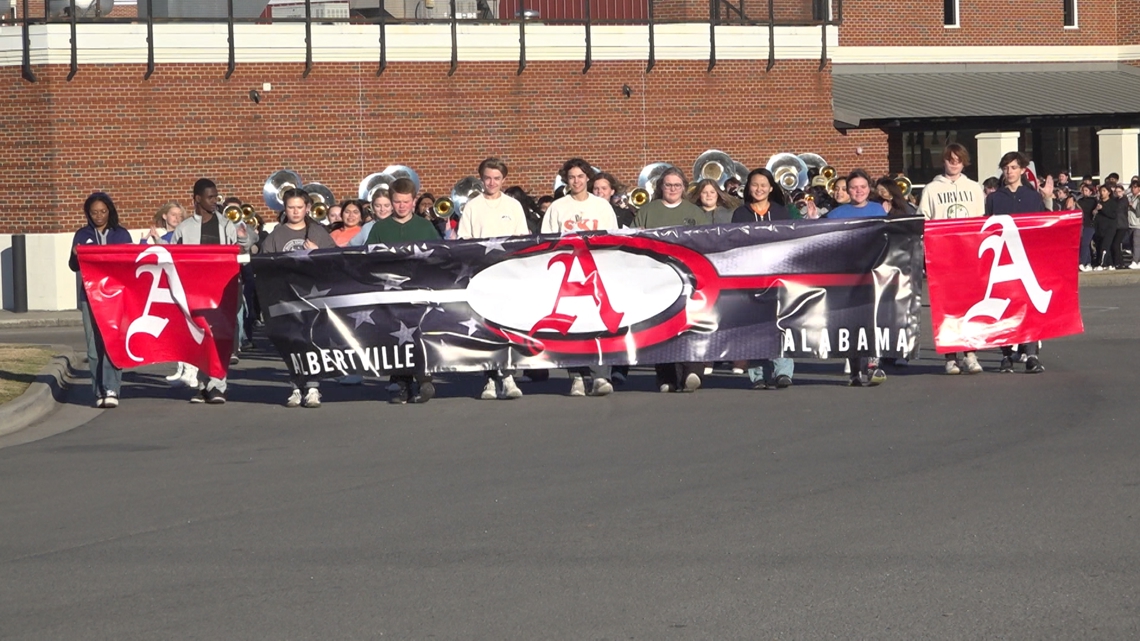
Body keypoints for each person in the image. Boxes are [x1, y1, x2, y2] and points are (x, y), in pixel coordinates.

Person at [541, 158, 620, 397]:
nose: (576, 181)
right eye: (572, 177)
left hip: (596, 272)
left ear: (588, 178)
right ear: (567, 180)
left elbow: (613, 237)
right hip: (568, 275)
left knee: (598, 323)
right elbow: (547, 240)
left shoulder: (602, 207)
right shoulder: (558, 207)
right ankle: (576, 376)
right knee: (572, 324)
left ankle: (600, 376)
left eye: (580, 176)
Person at [171, 178, 254, 403]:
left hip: (223, 288)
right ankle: (201, 385)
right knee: (199, 337)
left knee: (220, 337)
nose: (215, 201)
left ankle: (218, 384)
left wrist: (245, 238)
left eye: (216, 196)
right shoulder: (184, 228)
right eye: (210, 197)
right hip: (195, 290)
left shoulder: (227, 224)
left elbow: (245, 247)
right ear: (197, 199)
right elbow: (173, 256)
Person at [457, 157, 530, 400]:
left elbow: (522, 240)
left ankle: (508, 376)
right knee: (485, 327)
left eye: (497, 178)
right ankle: (489, 379)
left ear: (503, 180)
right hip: (481, 277)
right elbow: (464, 241)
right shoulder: (472, 207)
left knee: (508, 326)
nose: (492, 182)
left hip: (508, 276)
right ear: (481, 179)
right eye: (488, 178)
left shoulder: (512, 206)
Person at [363, 178, 441, 404]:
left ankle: (424, 378)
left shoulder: (425, 227)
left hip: (418, 290)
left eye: (406, 202)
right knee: (395, 336)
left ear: (414, 201)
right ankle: (401, 384)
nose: (401, 206)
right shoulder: (380, 228)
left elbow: (439, 255)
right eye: (397, 201)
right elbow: (368, 258)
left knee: (419, 334)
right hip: (391, 293)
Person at [259, 188, 337, 406]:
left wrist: (317, 252)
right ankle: (295, 386)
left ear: (307, 208)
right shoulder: (276, 235)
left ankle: (313, 387)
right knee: (292, 343)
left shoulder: (318, 232)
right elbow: (265, 266)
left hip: (313, 297)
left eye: (299, 207)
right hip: (286, 297)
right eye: (291, 207)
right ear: (285, 208)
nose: (295, 211)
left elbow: (335, 261)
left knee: (311, 342)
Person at [632, 167, 707, 393]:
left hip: (689, 277)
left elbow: (707, 241)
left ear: (683, 187)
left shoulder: (695, 213)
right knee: (661, 327)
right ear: (660, 187)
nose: (672, 189)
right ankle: (666, 377)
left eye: (677, 185)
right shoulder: (648, 211)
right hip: (657, 278)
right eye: (668, 185)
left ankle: (692, 371)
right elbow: (634, 239)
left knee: (689, 325)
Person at [918, 142, 986, 374]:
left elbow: (981, 222)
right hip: (943, 258)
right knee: (947, 309)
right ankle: (950, 357)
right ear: (944, 161)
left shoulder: (975, 188)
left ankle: (970, 353)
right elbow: (923, 222)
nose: (954, 163)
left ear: (964, 162)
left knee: (970, 306)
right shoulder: (931, 189)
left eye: (958, 159)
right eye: (950, 159)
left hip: (968, 255)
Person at [984, 151, 1052, 374]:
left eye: (1013, 167)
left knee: (1028, 306)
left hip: (1027, 259)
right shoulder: (994, 198)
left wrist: (1049, 200)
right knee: (1003, 307)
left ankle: (1031, 353)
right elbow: (987, 229)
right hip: (1002, 259)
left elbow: (1045, 227)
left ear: (1023, 170)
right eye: (1006, 168)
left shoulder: (1033, 197)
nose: (1009, 172)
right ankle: (1006, 355)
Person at [822, 170, 888, 386]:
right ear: (847, 190)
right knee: (851, 322)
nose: (858, 191)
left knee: (873, 319)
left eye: (862, 187)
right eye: (853, 187)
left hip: (873, 272)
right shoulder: (837, 214)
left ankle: (873, 365)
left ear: (869, 188)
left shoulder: (878, 209)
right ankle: (855, 371)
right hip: (847, 275)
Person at [69, 193, 133, 408]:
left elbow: (130, 264)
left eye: (103, 211)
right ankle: (99, 391)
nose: (98, 216)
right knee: (93, 347)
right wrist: (75, 254)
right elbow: (74, 266)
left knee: (112, 342)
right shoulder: (82, 234)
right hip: (90, 296)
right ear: (88, 213)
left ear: (110, 211)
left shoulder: (121, 234)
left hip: (116, 296)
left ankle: (112, 387)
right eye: (94, 212)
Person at [1092, 185, 1119, 270]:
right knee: (1099, 245)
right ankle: (1110, 264)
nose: (1102, 193)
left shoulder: (1112, 203)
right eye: (1101, 191)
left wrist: (1103, 209)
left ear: (1108, 192)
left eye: (1104, 191)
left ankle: (1102, 264)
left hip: (1110, 228)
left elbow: (1113, 215)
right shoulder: (1099, 202)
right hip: (1100, 228)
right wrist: (1095, 211)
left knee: (1105, 245)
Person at [1076, 184, 1098, 271]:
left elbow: (1095, 212)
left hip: (1090, 224)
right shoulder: (1079, 201)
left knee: (1085, 243)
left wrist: (1095, 211)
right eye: (1083, 190)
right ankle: (1088, 263)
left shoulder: (1093, 201)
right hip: (1082, 224)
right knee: (1086, 243)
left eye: (1086, 190)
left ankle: (1082, 262)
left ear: (1090, 192)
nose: (1084, 192)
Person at [1109, 184, 1131, 269]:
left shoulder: (1124, 200)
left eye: (1119, 191)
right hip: (1116, 225)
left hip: (1122, 225)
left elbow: (1118, 209)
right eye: (1116, 192)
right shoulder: (1115, 200)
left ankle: (1120, 262)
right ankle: (1118, 262)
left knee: (1116, 243)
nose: (1118, 193)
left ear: (1123, 192)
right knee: (1115, 244)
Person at [1128, 182, 1140, 269]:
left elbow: (1138, 213)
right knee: (1132, 243)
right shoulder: (1131, 197)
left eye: (1135, 187)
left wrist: (1132, 207)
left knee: (1136, 243)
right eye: (1132, 187)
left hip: (1137, 224)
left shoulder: (1138, 198)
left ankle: (1135, 261)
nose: (1133, 189)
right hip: (1130, 224)